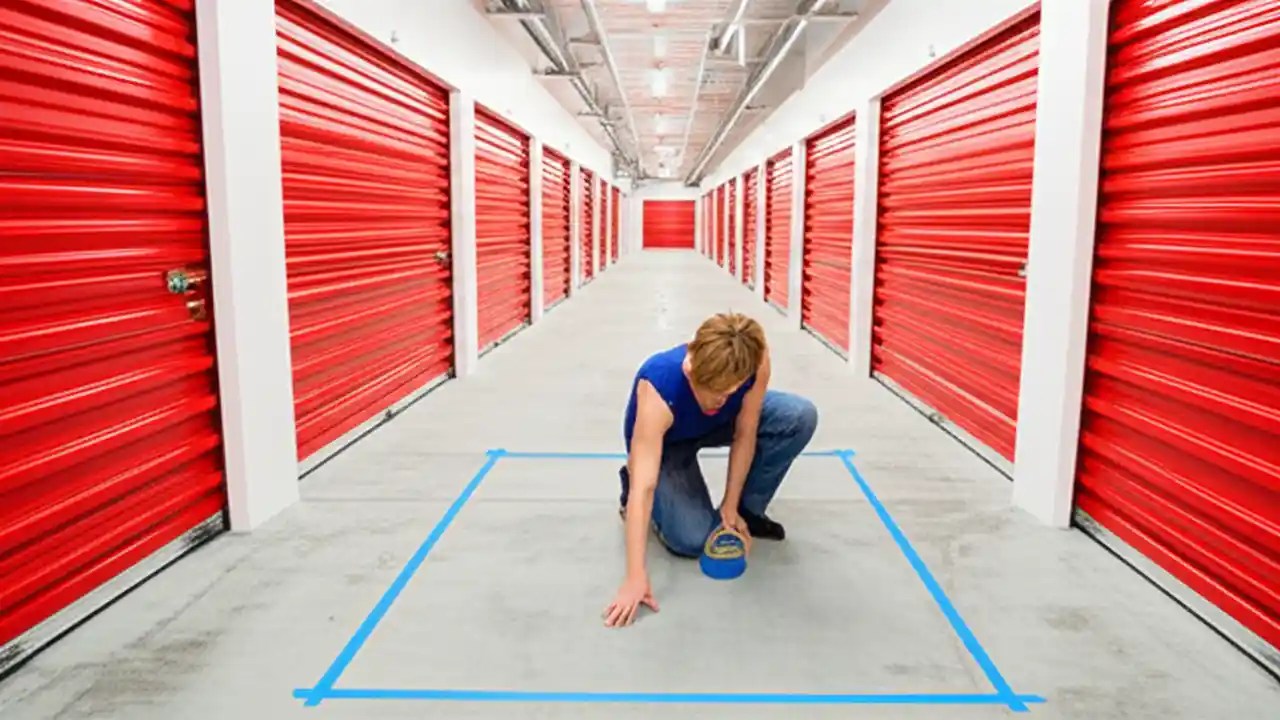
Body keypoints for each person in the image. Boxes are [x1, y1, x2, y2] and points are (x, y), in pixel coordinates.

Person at [602, 311, 818, 628]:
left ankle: (747, 513)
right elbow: (644, 488)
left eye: (732, 391)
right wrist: (635, 577)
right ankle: (630, 474)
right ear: (691, 371)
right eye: (716, 392)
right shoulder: (659, 387)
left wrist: (731, 506)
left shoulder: (754, 360)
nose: (723, 398)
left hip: (718, 426)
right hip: (668, 441)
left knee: (799, 416)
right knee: (691, 540)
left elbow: (746, 431)